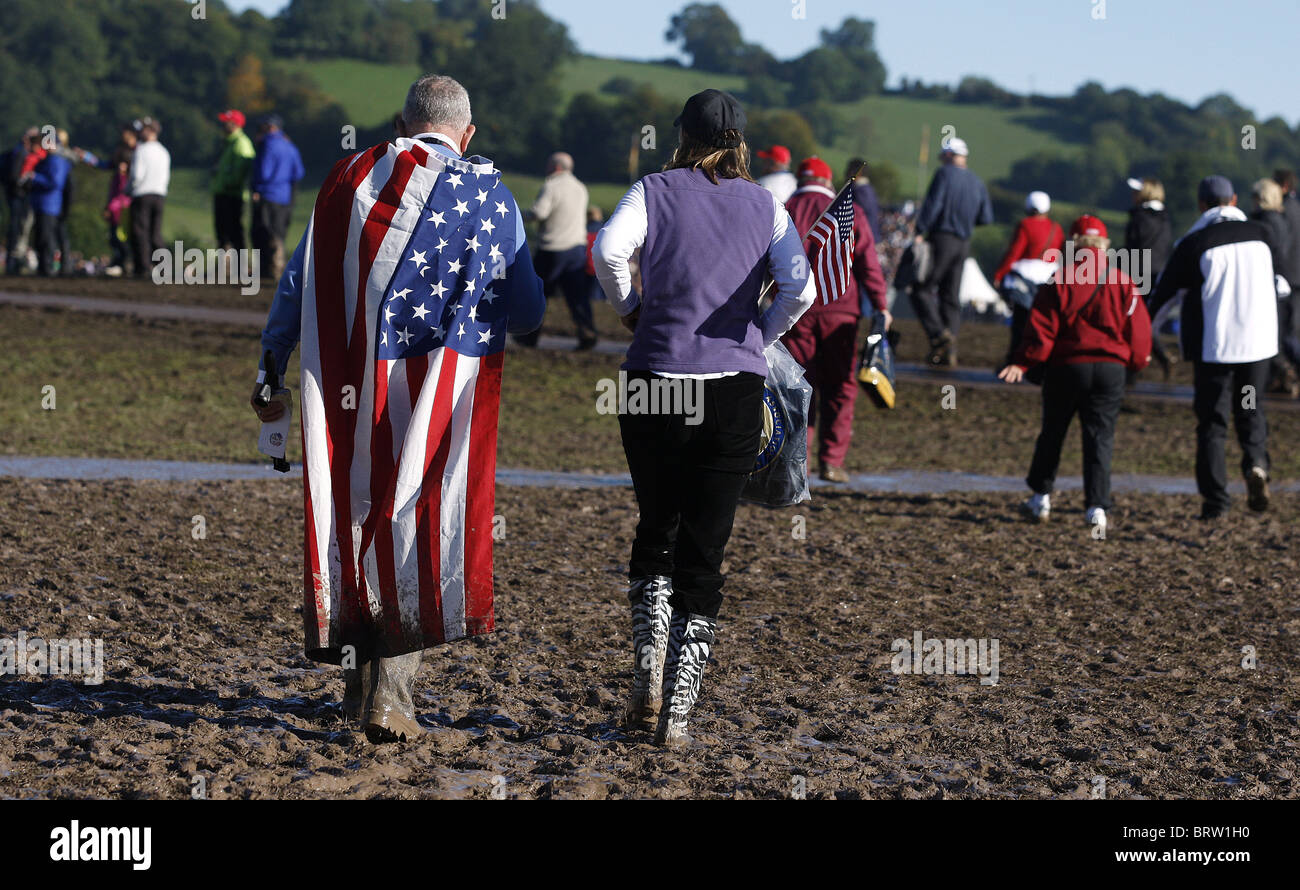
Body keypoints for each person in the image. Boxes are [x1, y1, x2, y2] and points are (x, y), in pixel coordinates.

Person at [249, 74, 546, 743]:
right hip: (435, 389)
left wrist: (271, 365)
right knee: (415, 513)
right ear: (467, 134)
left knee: (352, 513)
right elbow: (525, 314)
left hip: (344, 386)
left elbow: (299, 282)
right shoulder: (487, 194)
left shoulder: (343, 181)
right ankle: (390, 693)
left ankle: (357, 688)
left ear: (401, 121)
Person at [593, 89, 815, 747]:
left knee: (655, 523)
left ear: (681, 134)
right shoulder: (767, 205)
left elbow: (608, 250)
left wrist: (631, 308)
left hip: (653, 383)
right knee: (706, 549)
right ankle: (679, 714)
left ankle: (645, 678)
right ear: (741, 140)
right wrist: (760, 338)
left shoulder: (653, 189)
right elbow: (800, 288)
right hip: (731, 391)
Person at [998, 216, 1152, 535]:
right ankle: (1096, 509)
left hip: (1066, 368)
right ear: (1104, 245)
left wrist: (1023, 362)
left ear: (1074, 243)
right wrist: (1136, 361)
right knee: (1100, 437)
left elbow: (1042, 330)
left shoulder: (1060, 279)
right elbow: (1137, 329)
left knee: (1053, 432)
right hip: (1110, 370)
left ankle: (1041, 497)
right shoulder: (1123, 280)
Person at [1148, 176, 1278, 519]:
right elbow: (1279, 284)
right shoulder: (1263, 235)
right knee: (1250, 410)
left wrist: (1145, 335)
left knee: (1212, 424)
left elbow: (1162, 299)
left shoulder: (1193, 244)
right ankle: (1256, 463)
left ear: (1201, 204)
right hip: (1258, 347)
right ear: (1234, 199)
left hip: (1215, 350)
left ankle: (1216, 502)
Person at [780, 156, 889, 483]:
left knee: (799, 386)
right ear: (828, 182)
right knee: (840, 387)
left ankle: (797, 462)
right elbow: (867, 260)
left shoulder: (784, 209)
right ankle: (832, 461)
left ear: (800, 180)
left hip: (795, 310)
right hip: (841, 308)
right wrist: (881, 304)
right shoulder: (849, 211)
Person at [912, 137, 994, 366]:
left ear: (948, 155)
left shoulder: (944, 174)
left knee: (921, 290)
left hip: (941, 239)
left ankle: (940, 336)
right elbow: (986, 217)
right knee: (951, 297)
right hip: (964, 243)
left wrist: (920, 230)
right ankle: (949, 350)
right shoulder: (977, 182)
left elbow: (934, 204)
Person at [516, 151, 595, 349]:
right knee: (577, 296)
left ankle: (529, 335)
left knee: (538, 293)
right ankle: (587, 332)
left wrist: (518, 215)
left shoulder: (551, 185)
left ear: (556, 167)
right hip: (576, 248)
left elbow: (539, 212)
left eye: (549, 165)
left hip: (552, 249)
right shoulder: (580, 187)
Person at [992, 190, 1064, 366]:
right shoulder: (1057, 228)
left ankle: (1015, 360)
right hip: (1049, 279)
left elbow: (1014, 252)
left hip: (1025, 278)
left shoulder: (1025, 225)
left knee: (1021, 324)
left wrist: (999, 274)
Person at [1122, 177, 1177, 378]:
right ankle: (1160, 357)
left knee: (1134, 321)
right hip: (1158, 273)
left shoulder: (1139, 218)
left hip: (1139, 273)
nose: (1133, 194)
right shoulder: (1164, 217)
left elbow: (1132, 249)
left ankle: (1134, 368)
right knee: (1146, 320)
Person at [250, 114, 304, 283]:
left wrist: (257, 187)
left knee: (262, 232)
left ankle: (267, 269)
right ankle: (278, 267)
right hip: (284, 196)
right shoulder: (290, 146)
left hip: (267, 194)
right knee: (278, 232)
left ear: (271, 127)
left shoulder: (266, 144)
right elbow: (299, 172)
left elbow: (263, 171)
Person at [128, 118, 170, 278]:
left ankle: (142, 268)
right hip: (159, 194)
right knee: (155, 233)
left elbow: (136, 175)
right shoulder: (164, 152)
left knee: (140, 232)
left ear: (151, 131)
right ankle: (165, 267)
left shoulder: (141, 150)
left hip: (142, 194)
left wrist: (128, 190)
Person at [27, 135, 72, 277]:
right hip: (42, 204)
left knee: (47, 238)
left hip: (50, 205)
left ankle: (48, 267)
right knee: (40, 237)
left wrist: (35, 177)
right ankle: (43, 267)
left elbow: (55, 183)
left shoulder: (56, 161)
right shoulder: (47, 160)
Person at [212, 109, 255, 252]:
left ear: (235, 124)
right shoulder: (229, 142)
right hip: (223, 192)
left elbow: (241, 170)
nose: (223, 125)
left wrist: (229, 184)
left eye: (226, 122)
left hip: (232, 194)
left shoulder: (241, 143)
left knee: (234, 231)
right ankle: (226, 266)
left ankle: (240, 267)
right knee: (222, 232)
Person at [1273, 169, 1300, 393]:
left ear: (1282, 186)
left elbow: (1282, 246)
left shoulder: (1284, 211)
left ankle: (1287, 372)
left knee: (1283, 332)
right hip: (1296, 277)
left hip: (1286, 278)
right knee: (1288, 330)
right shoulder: (1297, 207)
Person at [3, 128, 41, 275]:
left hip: (17, 197)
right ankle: (14, 262)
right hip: (19, 197)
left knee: (19, 229)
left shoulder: (19, 152)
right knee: (18, 228)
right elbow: (15, 178)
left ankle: (14, 261)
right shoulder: (20, 153)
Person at [845, 158, 881, 241]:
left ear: (858, 173)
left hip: (863, 240)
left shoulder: (860, 192)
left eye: (849, 171)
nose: (846, 174)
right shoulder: (867, 190)